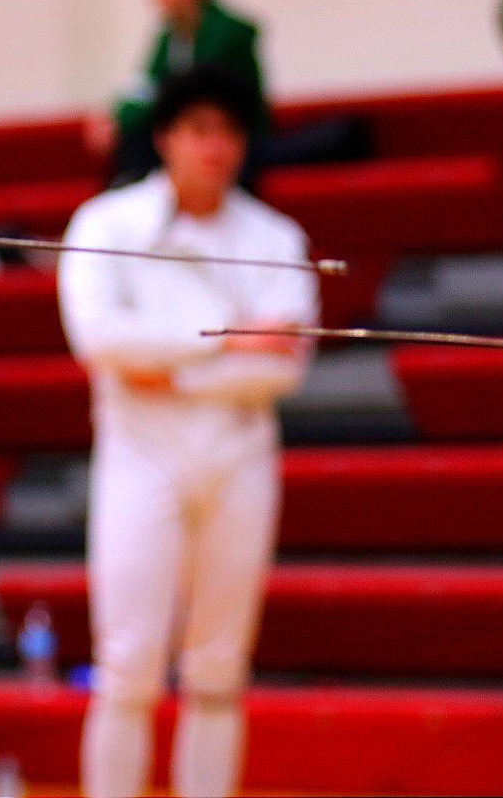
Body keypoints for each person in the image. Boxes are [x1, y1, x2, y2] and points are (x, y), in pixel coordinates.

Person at [58, 67, 320, 798]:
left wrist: (168, 369)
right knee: (129, 666)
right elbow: (102, 339)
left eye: (229, 131)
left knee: (218, 670)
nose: (215, 146)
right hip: (140, 458)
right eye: (200, 129)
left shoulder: (274, 236)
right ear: (168, 137)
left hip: (240, 459)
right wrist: (233, 340)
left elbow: (285, 368)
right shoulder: (105, 227)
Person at [86, 0, 268, 185]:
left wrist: (126, 119)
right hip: (190, 132)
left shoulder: (225, 32)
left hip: (231, 134)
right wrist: (116, 117)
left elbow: (190, 93)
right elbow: (146, 85)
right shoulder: (170, 35)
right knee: (139, 139)